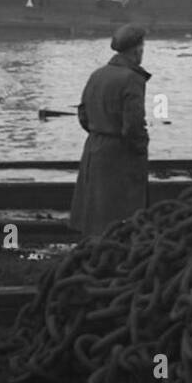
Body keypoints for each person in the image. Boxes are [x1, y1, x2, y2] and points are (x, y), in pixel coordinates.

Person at [70, 25, 151, 240]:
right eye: (142, 47)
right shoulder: (132, 79)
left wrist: (99, 132)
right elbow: (133, 125)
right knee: (121, 214)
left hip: (94, 149)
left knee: (95, 213)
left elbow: (83, 114)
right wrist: (140, 149)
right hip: (119, 154)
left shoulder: (97, 75)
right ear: (136, 51)